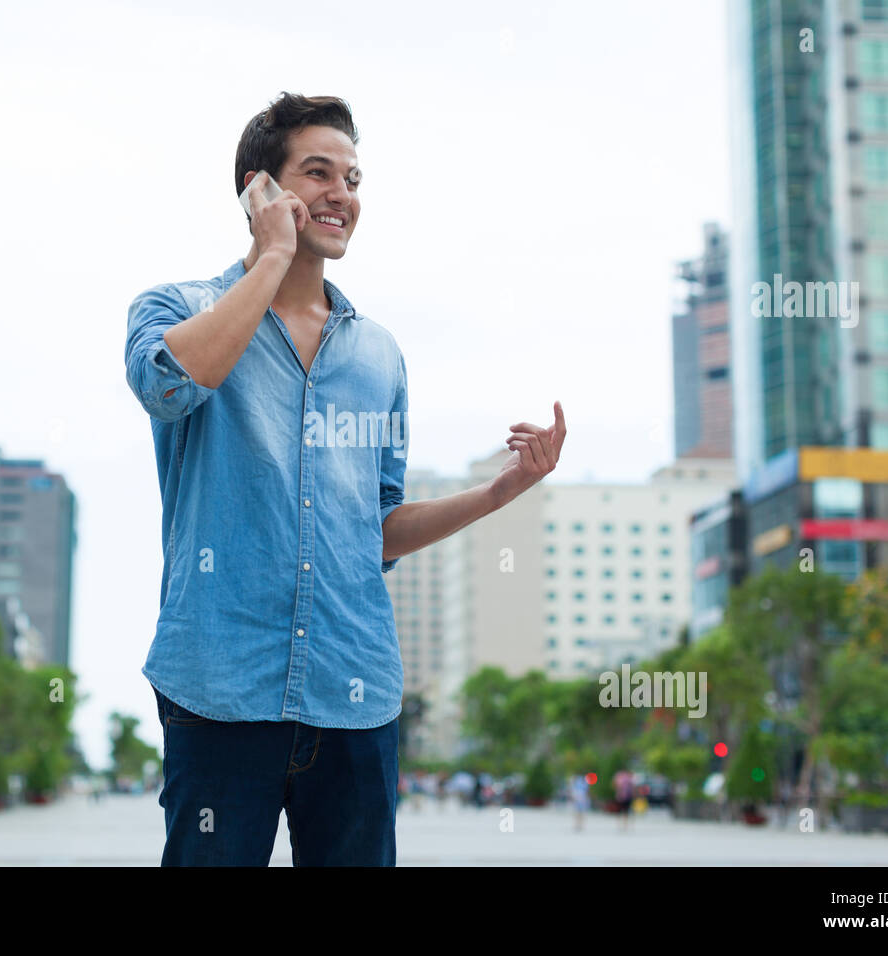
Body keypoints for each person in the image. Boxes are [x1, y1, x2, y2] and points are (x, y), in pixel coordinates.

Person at [124, 92, 566, 867]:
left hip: (353, 690)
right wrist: (269, 260)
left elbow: (378, 529)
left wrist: (500, 493)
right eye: (318, 172)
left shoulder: (380, 356)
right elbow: (169, 387)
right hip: (220, 687)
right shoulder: (177, 307)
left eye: (353, 178)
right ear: (261, 189)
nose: (342, 195)